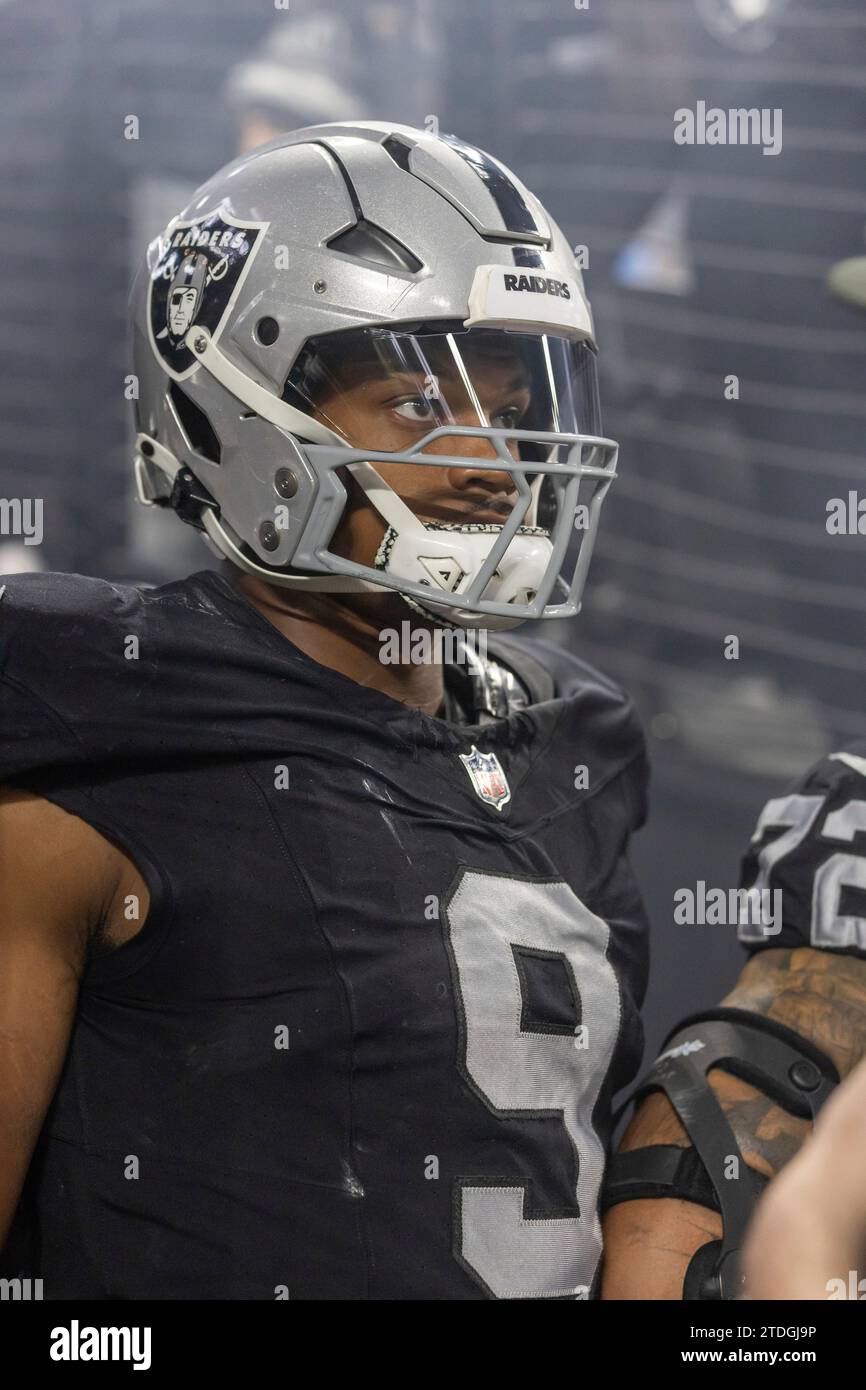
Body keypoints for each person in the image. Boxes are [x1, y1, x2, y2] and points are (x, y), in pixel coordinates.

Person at [0, 121, 647, 1300]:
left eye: (513, 408)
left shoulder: (570, 743)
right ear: (232, 400)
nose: (493, 462)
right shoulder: (101, 734)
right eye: (414, 400)